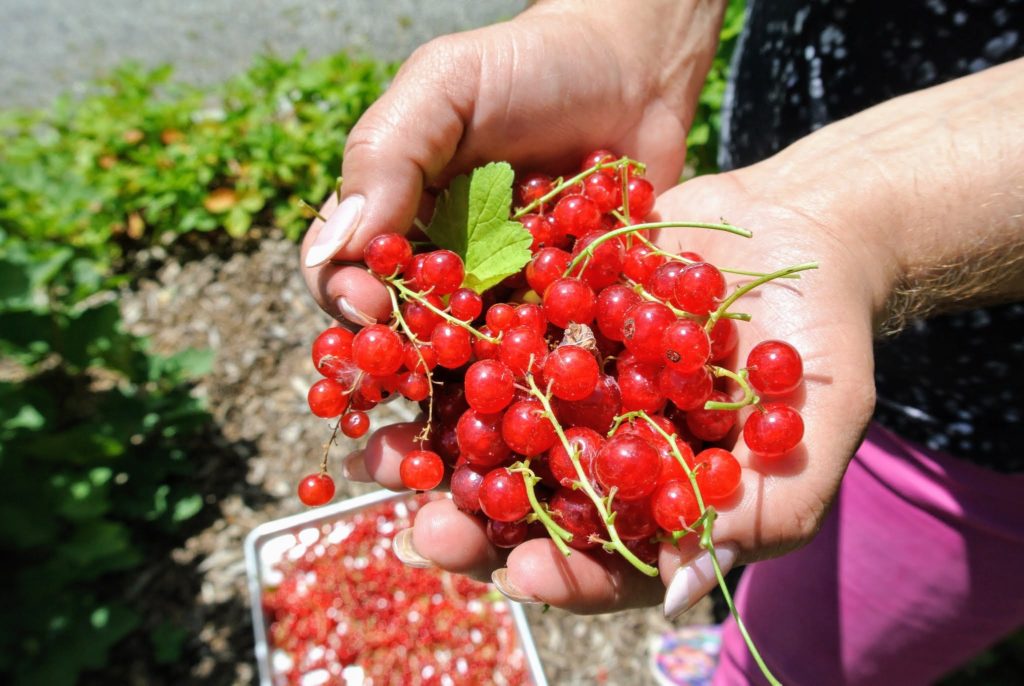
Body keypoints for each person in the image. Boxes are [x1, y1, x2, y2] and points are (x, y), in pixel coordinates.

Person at [298, 1, 1024, 682]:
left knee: (812, 657)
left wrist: (868, 219)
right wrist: (632, 28)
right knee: (734, 551)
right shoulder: (570, 338)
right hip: (790, 139)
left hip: (985, 434)